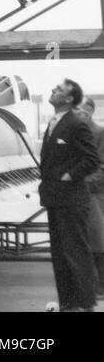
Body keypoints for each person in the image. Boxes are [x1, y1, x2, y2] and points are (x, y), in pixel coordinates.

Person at [40, 79, 102, 311]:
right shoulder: (55, 122)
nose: (53, 90)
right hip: (55, 198)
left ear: (68, 99)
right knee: (60, 255)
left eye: (58, 90)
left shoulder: (76, 123)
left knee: (75, 252)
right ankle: (68, 303)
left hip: (72, 199)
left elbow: (92, 159)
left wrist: (69, 175)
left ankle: (85, 303)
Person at [80, 98, 104, 285]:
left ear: (90, 111)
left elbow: (100, 165)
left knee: (98, 237)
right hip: (83, 192)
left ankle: (100, 284)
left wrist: (87, 183)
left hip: (94, 192)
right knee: (89, 237)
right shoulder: (77, 131)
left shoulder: (99, 132)